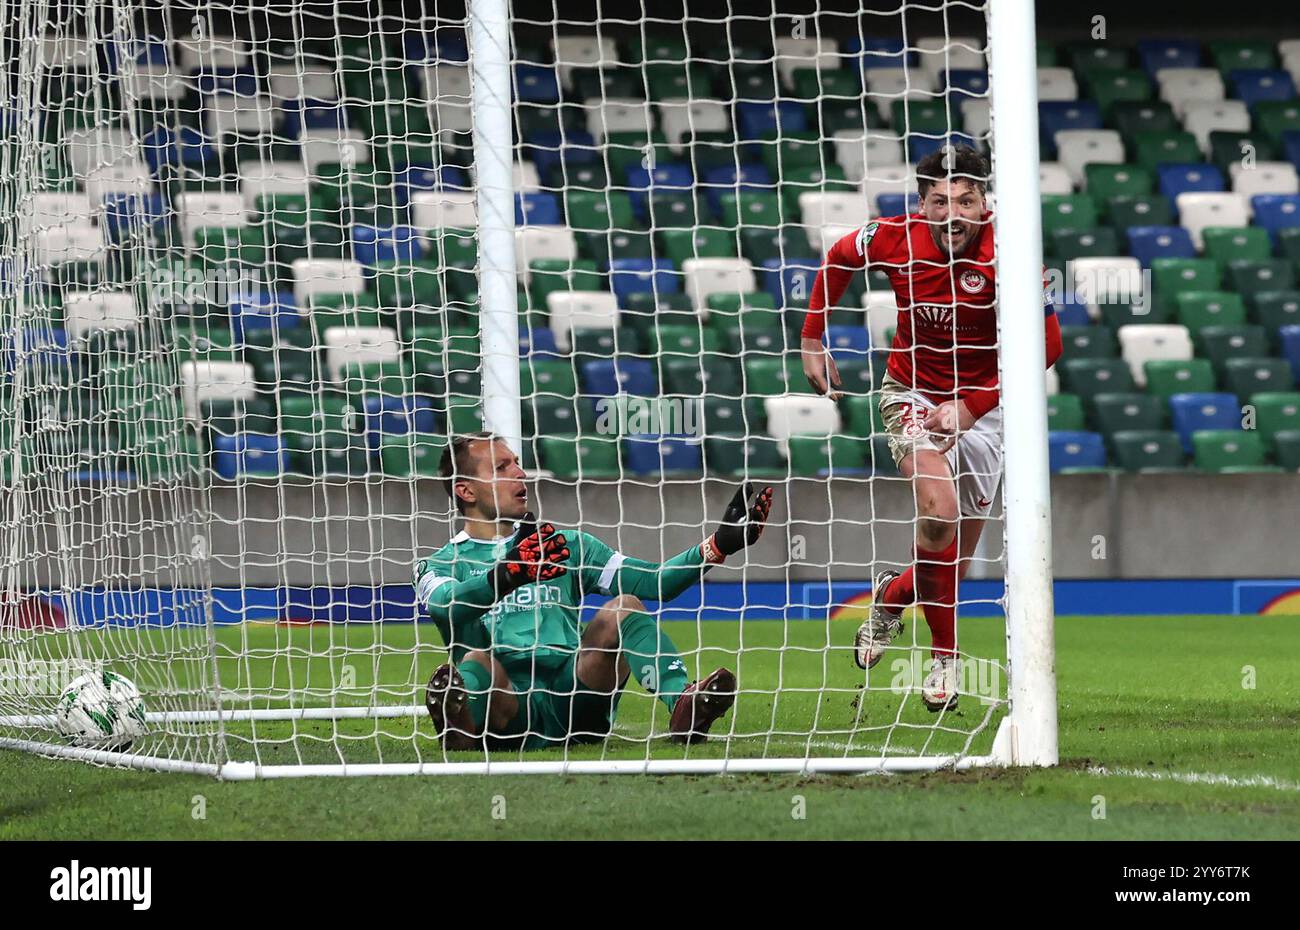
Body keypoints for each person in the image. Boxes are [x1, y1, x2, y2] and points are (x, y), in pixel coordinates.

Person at [800, 144, 1062, 711]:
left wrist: (971, 406)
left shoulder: (1012, 250)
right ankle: (945, 662)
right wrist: (812, 336)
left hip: (989, 408)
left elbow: (1050, 344)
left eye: (967, 201)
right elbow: (841, 257)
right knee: (938, 514)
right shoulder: (891, 236)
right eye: (941, 201)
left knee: (950, 559)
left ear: (984, 202)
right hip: (910, 391)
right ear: (921, 205)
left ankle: (891, 597)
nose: (955, 215)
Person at [415, 431, 774, 749]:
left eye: (517, 465)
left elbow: (653, 582)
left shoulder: (563, 546)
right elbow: (448, 606)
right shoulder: (439, 564)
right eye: (502, 468)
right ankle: (460, 726)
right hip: (505, 706)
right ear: (466, 490)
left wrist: (717, 546)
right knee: (476, 661)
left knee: (625, 606)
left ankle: (685, 704)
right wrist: (507, 575)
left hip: (575, 696)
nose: (520, 474)